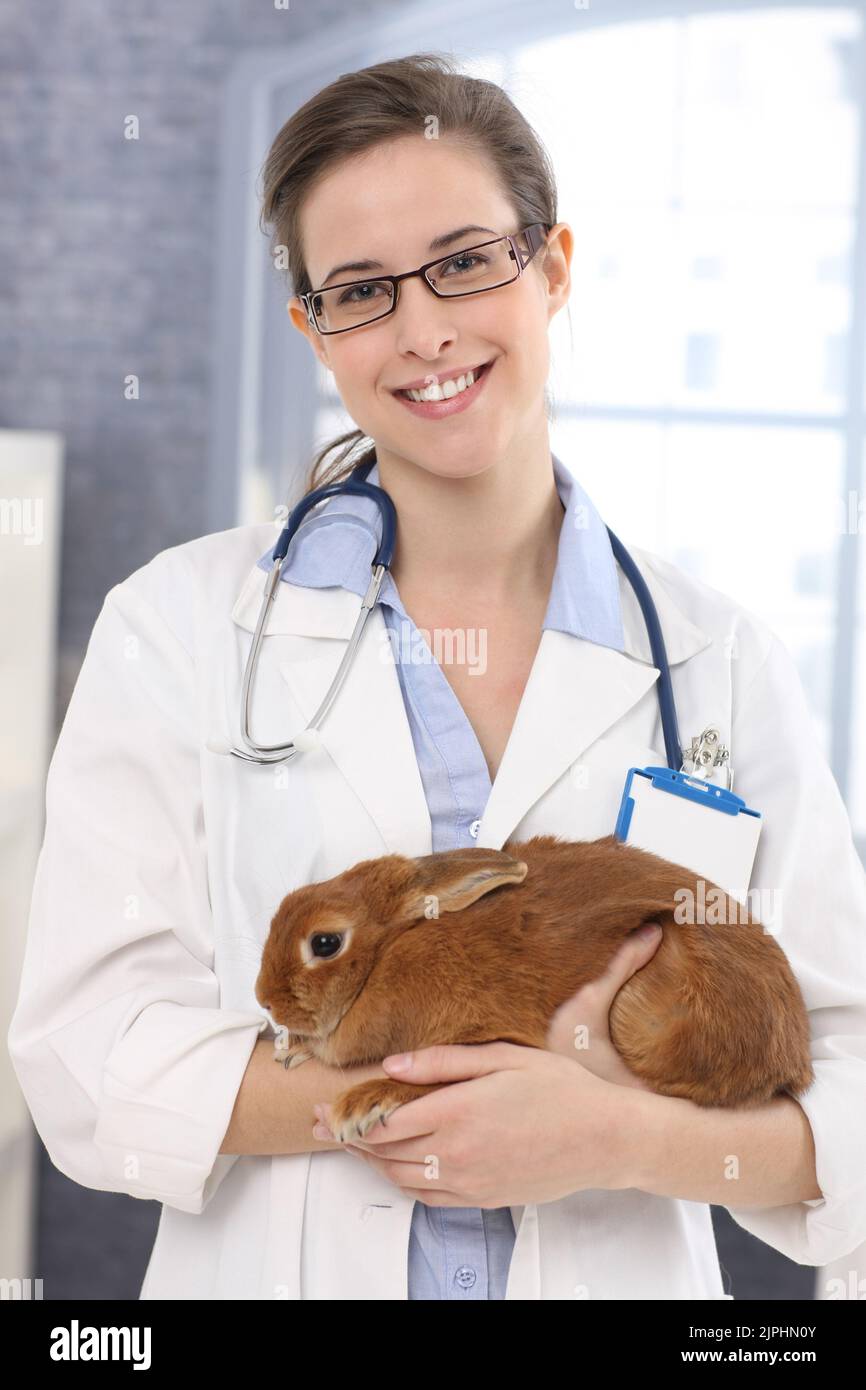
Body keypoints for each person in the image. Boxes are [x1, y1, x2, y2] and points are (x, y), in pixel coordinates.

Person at [8, 52, 866, 1302]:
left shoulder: (718, 662)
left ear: (552, 266)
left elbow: (847, 1087)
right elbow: (85, 1058)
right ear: (311, 330)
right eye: (359, 291)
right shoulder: (179, 628)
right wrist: (391, 1103)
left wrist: (608, 1133)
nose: (423, 331)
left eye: (465, 260)